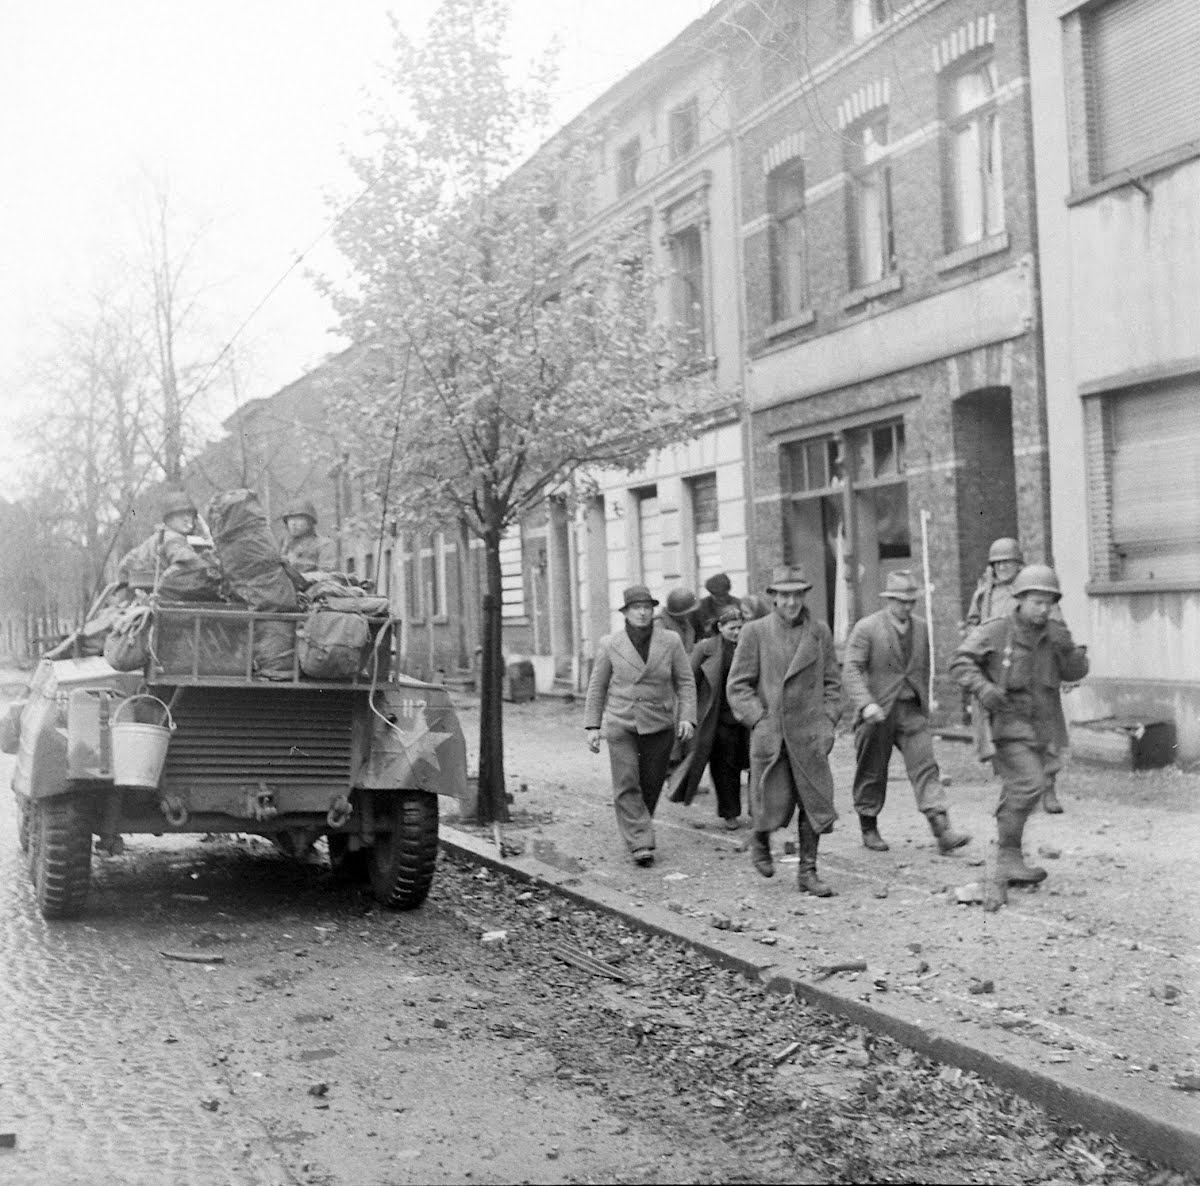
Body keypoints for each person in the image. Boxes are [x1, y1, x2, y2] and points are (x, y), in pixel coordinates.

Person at [951, 565, 1088, 888]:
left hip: (1042, 726)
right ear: (1020, 599)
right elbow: (959, 662)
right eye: (1037, 602)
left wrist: (1072, 653)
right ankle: (1008, 858)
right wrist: (984, 688)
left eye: (1049, 603)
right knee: (1030, 784)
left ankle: (1008, 857)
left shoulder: (1054, 633)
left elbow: (1072, 672)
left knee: (1021, 787)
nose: (1043, 609)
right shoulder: (996, 631)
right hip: (1006, 725)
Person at [727, 564, 842, 896]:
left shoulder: (819, 633)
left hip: (809, 733)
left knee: (814, 801)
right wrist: (758, 719)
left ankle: (808, 871)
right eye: (784, 596)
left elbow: (833, 684)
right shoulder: (755, 632)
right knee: (770, 800)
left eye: (797, 595)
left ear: (805, 596)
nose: (791, 602)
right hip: (772, 732)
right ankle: (760, 840)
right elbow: (738, 686)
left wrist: (828, 722)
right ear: (773, 598)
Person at [843, 571, 970, 855]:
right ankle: (869, 825)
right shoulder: (867, 628)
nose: (907, 607)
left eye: (911, 601)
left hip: (911, 711)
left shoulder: (922, 627)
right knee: (872, 770)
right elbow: (850, 669)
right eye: (901, 601)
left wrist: (925, 705)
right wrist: (866, 703)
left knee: (926, 766)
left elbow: (922, 667)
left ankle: (942, 829)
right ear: (888, 600)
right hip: (877, 712)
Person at [584, 585, 697, 867]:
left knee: (651, 784)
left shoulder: (670, 641)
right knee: (626, 783)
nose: (643, 612)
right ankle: (640, 842)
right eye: (636, 608)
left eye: (647, 607)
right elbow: (598, 687)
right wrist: (592, 726)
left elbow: (684, 681)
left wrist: (687, 716)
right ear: (625, 612)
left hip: (660, 723)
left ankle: (637, 828)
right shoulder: (610, 644)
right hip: (622, 722)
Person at [667, 605, 749, 828]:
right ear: (720, 627)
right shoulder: (706, 648)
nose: (737, 632)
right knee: (725, 767)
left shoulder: (749, 645)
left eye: (740, 627)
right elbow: (688, 682)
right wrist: (688, 713)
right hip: (717, 717)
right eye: (732, 628)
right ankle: (730, 813)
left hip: (748, 716)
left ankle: (760, 811)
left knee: (754, 763)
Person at [116, 491, 203, 586]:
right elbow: (192, 563)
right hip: (165, 593)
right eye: (180, 514)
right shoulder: (173, 538)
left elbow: (124, 565)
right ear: (169, 519)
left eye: (189, 514)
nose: (187, 519)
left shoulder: (156, 537)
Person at [965, 537, 1024, 628]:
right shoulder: (983, 594)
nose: (1001, 567)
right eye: (997, 563)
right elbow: (972, 625)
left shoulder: (1027, 590)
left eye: (1006, 562)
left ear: (1018, 563)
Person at [279, 499, 337, 573]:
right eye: (290, 519)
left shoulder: (324, 544)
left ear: (309, 522)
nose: (293, 523)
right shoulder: (285, 546)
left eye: (299, 518)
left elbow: (326, 573)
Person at [696, 573, 742, 638]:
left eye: (723, 595)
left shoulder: (738, 604)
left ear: (728, 590)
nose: (721, 599)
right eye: (716, 596)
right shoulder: (703, 606)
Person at [658, 587, 699, 655]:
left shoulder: (684, 624)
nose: (691, 614)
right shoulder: (660, 627)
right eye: (689, 612)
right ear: (681, 614)